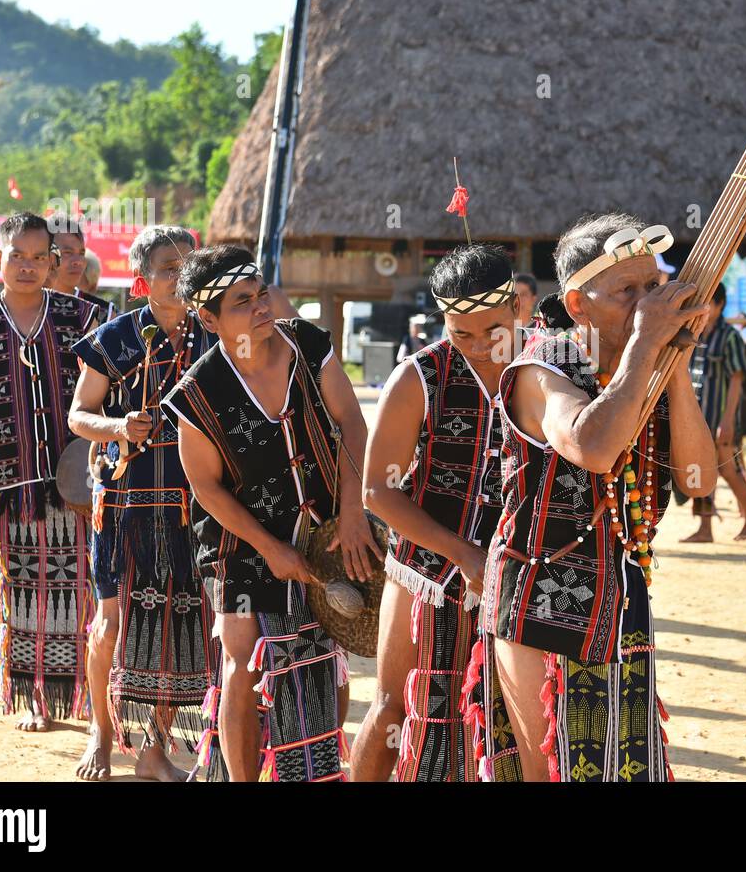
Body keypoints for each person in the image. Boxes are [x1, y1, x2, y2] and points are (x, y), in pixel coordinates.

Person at [476, 213, 717, 782]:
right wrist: (646, 346)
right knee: (553, 771)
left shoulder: (646, 373)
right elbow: (595, 447)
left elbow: (698, 480)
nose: (647, 303)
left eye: (654, 287)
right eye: (627, 291)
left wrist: (675, 369)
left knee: (624, 769)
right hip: (540, 597)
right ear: (579, 304)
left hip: (623, 598)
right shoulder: (543, 362)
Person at [162, 245, 380, 782]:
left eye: (260, 295)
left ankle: (317, 770)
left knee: (329, 649)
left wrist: (352, 513)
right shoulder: (197, 394)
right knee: (243, 659)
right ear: (208, 319)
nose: (261, 308)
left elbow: (352, 422)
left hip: (329, 525)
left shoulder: (306, 344)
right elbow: (206, 490)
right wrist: (270, 548)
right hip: (240, 545)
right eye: (242, 302)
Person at [355, 243, 523, 782]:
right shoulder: (417, 377)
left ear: (517, 309)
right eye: (460, 332)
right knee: (393, 708)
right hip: (423, 572)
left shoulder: (546, 371)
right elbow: (378, 493)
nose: (475, 345)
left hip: (518, 573)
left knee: (498, 723)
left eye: (490, 329)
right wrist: (463, 554)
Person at [68, 225, 215, 781]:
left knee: (178, 627)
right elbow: (78, 414)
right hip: (125, 504)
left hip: (194, 507)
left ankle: (153, 751)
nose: (180, 279)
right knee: (111, 623)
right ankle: (102, 734)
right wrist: (118, 425)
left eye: (188, 267)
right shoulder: (115, 337)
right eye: (167, 270)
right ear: (140, 281)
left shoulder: (215, 337)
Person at [0, 212, 100, 730]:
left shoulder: (81, 320)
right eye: (18, 255)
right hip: (13, 486)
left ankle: (82, 695)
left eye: (40, 257)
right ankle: (34, 697)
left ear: (53, 262)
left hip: (77, 481)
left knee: (77, 587)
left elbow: (103, 394)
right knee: (22, 589)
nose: (29, 266)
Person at [680, 282, 746, 543]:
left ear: (720, 305)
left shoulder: (730, 337)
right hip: (698, 415)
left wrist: (727, 421)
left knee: (728, 470)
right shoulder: (693, 333)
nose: (702, 310)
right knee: (702, 471)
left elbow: (737, 380)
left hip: (721, 417)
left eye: (708, 304)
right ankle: (705, 528)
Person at [46, 214, 117, 324]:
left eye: (81, 253)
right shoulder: (21, 306)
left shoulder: (104, 314)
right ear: (45, 255)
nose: (78, 261)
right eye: (68, 253)